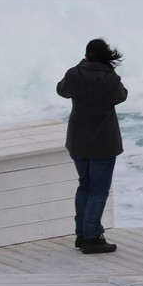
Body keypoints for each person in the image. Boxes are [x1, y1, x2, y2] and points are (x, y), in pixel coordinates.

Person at [57, 37, 127, 254]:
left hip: (79, 140)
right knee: (98, 191)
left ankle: (82, 234)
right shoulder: (112, 79)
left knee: (84, 186)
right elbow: (122, 96)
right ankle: (92, 236)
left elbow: (61, 90)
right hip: (103, 143)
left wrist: (81, 66)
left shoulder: (73, 74)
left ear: (86, 56)